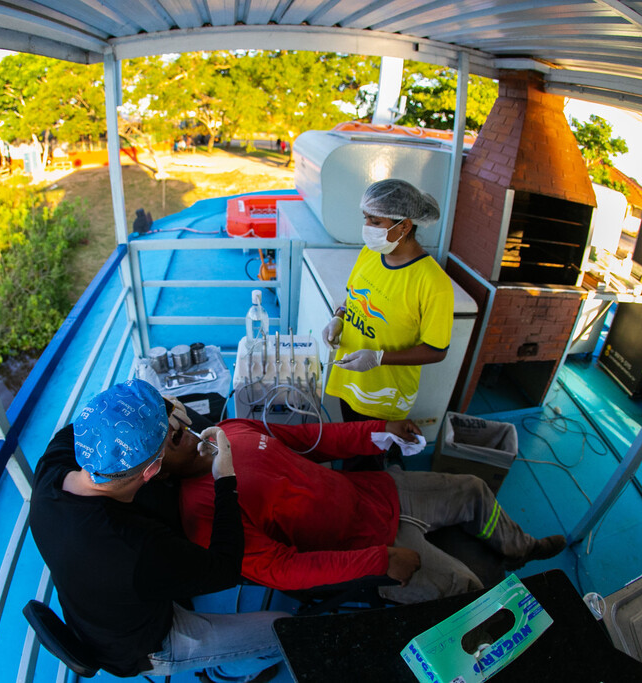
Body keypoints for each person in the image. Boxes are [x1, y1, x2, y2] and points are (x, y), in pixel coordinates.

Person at [29, 380, 285, 683]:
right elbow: (226, 568)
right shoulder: (135, 549)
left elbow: (91, 421)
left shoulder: (51, 469)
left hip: (97, 609)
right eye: (170, 440)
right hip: (144, 644)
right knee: (284, 629)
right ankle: (225, 673)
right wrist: (225, 479)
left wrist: (161, 406)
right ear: (153, 471)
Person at [166, 417, 566, 604]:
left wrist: (379, 430)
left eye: (165, 416)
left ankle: (521, 549)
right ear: (155, 471)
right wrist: (379, 561)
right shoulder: (204, 516)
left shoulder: (231, 428)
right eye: (159, 438)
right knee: (467, 587)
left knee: (474, 489)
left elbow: (308, 439)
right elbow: (281, 569)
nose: (170, 428)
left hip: (375, 492)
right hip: (365, 548)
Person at [324, 179, 454, 469]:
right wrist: (339, 317)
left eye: (375, 221)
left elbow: (437, 350)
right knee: (352, 444)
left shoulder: (433, 283)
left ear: (404, 226)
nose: (366, 227)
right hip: (350, 378)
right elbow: (353, 296)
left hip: (383, 393)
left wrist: (379, 358)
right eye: (366, 218)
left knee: (365, 463)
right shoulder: (370, 254)